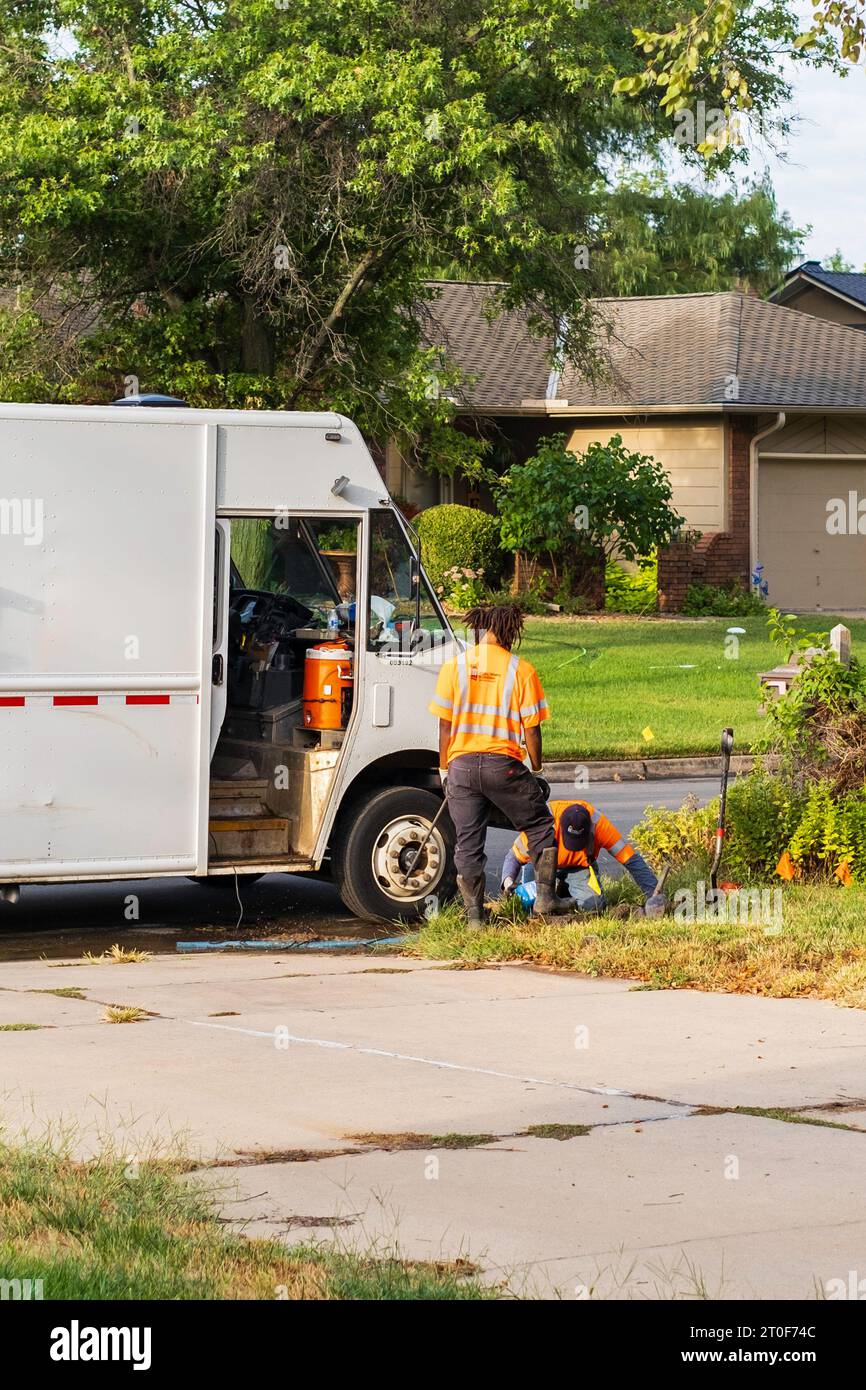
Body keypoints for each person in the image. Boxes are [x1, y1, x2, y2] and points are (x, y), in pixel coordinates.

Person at [429, 603, 568, 925]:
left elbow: (444, 727)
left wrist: (445, 769)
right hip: (502, 766)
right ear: (509, 630)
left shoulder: (454, 667)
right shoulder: (521, 670)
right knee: (539, 825)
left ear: (479, 628)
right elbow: (531, 728)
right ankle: (546, 899)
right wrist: (536, 768)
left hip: (460, 768)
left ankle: (475, 918)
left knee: (468, 842)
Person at [500, 798, 662, 913]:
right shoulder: (544, 822)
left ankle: (562, 893)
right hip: (540, 868)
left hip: (578, 869)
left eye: (579, 841)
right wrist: (508, 884)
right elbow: (513, 857)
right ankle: (556, 893)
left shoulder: (599, 824)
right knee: (528, 906)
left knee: (595, 906)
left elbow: (631, 860)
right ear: (560, 827)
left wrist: (654, 895)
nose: (573, 846)